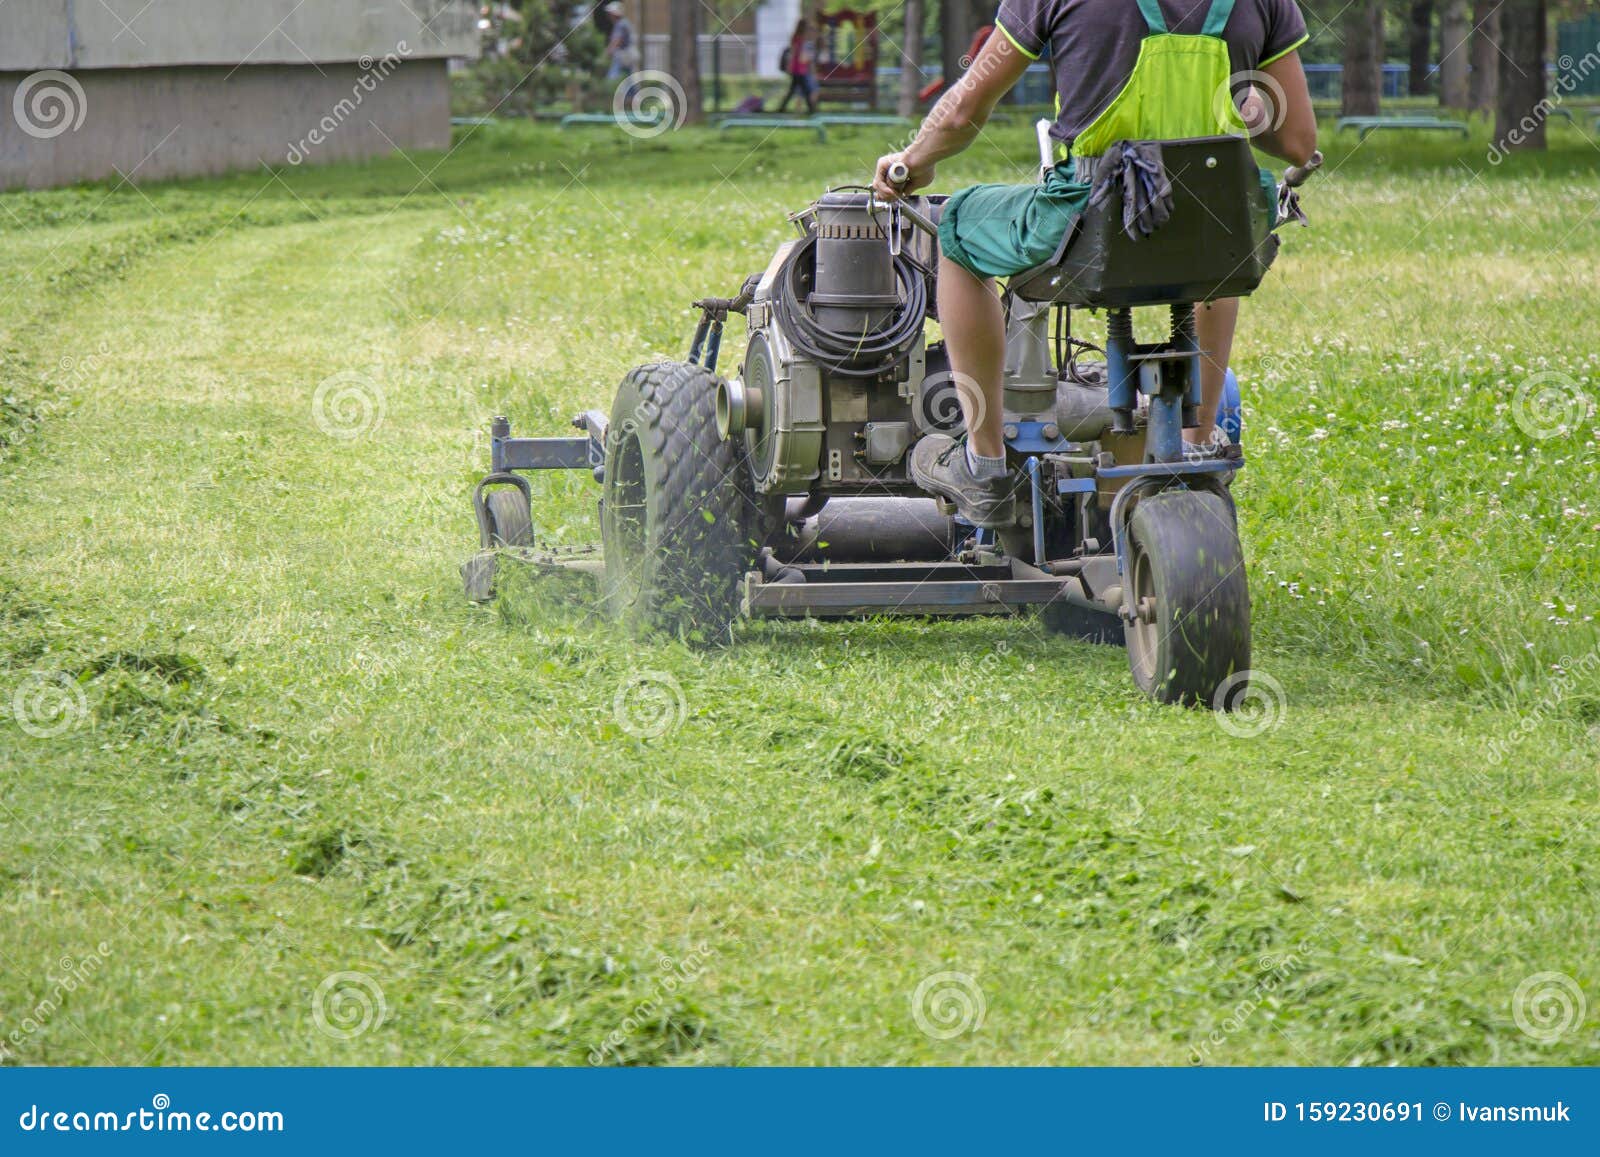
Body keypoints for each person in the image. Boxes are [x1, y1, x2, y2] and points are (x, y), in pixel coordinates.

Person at [872, 0, 1317, 528]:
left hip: (1091, 216)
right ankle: (1199, 446)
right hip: (1215, 218)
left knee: (959, 230)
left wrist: (911, 162)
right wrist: (1253, 109)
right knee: (1216, 233)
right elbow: (1298, 143)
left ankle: (984, 463)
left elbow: (966, 111)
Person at [777, 17, 819, 113]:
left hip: (797, 68)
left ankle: (782, 108)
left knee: (793, 90)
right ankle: (812, 110)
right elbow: (801, 57)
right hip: (800, 69)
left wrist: (789, 66)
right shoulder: (801, 39)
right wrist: (808, 58)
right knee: (806, 90)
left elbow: (792, 53)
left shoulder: (795, 38)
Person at [604, 1, 640, 81]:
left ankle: (609, 91)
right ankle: (635, 93)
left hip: (623, 55)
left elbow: (617, 40)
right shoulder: (624, 22)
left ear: (614, 14)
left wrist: (608, 51)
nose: (609, 15)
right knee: (629, 78)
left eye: (610, 13)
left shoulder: (620, 24)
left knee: (612, 77)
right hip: (628, 55)